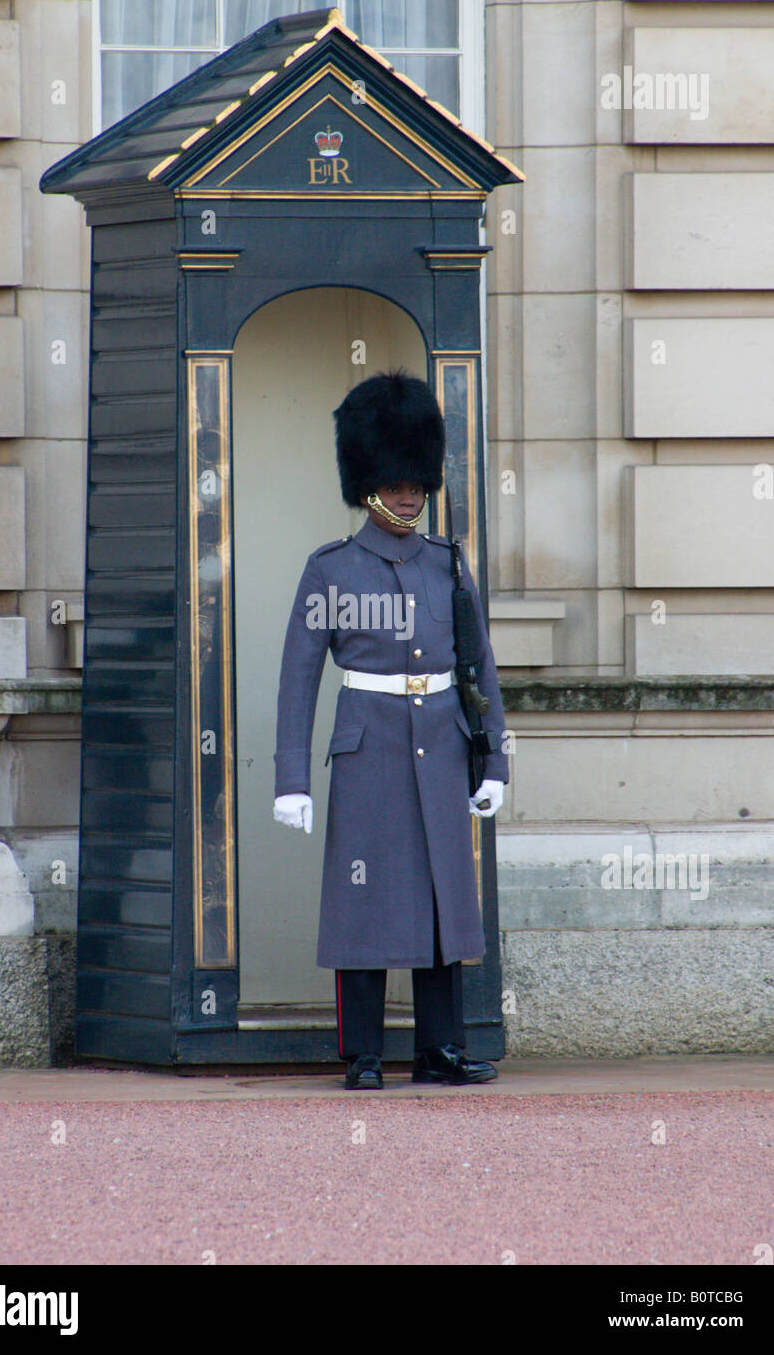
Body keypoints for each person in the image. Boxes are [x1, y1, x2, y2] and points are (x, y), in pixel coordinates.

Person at [273, 368, 509, 1089]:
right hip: (368, 743)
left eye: (417, 480)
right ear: (369, 480)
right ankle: (365, 1053)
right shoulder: (332, 570)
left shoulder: (447, 566)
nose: (410, 493)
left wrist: (493, 758)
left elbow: (480, 668)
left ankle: (439, 1051)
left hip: (440, 743)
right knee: (363, 897)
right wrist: (291, 780)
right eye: (397, 479)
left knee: (443, 897)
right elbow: (299, 678)